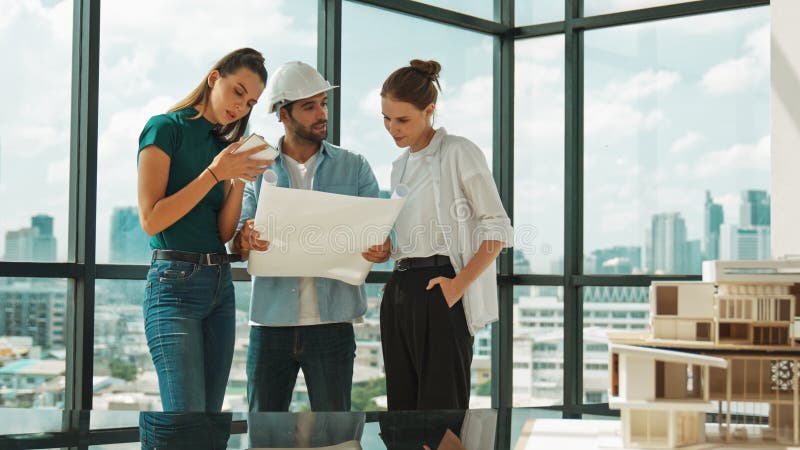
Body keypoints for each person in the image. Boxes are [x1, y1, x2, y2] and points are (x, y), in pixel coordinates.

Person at [363, 59, 513, 410]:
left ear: (429, 111)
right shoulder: (399, 166)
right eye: (386, 118)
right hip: (400, 290)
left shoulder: (459, 151)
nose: (392, 129)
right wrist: (389, 250)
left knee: (442, 414)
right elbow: (416, 232)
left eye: (402, 120)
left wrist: (457, 286)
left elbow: (498, 228)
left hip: (441, 288)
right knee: (403, 413)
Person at [231, 61, 380, 412]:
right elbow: (236, 240)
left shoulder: (354, 166)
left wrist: (380, 246)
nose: (321, 114)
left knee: (335, 435)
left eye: (323, 104)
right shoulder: (256, 167)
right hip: (271, 325)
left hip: (333, 325)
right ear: (284, 114)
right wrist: (245, 237)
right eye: (309, 106)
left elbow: (379, 231)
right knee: (265, 435)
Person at [137, 48, 269, 412]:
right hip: (173, 287)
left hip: (219, 285)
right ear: (214, 79)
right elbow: (152, 219)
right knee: (186, 419)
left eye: (251, 102)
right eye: (238, 92)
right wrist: (215, 173)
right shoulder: (164, 128)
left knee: (211, 420)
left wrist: (240, 177)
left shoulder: (221, 148)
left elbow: (224, 232)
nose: (241, 107)